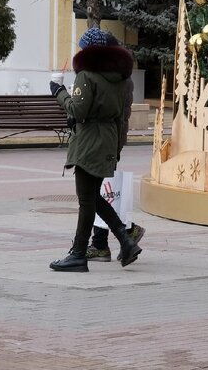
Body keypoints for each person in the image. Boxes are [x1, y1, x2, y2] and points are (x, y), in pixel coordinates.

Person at [49, 27, 142, 272]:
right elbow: (116, 112)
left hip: (89, 141)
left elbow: (78, 110)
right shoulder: (121, 77)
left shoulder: (87, 75)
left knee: (86, 200)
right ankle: (125, 239)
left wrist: (59, 92)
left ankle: (79, 253)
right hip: (108, 138)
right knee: (92, 198)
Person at [86, 32, 145, 262]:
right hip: (110, 142)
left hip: (106, 143)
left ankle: (120, 235)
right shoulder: (120, 76)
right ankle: (101, 242)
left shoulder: (115, 78)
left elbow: (112, 113)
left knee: (93, 195)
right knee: (97, 193)